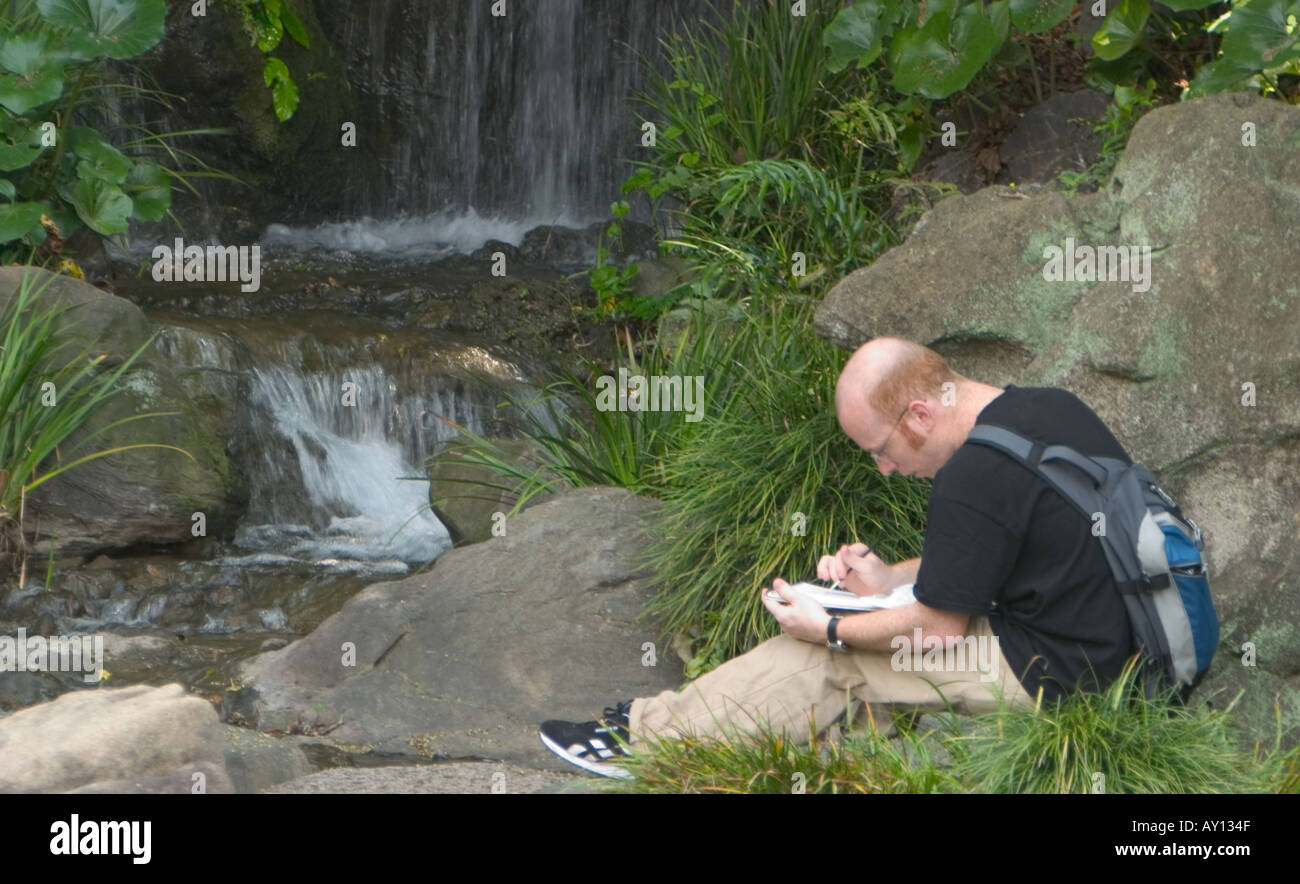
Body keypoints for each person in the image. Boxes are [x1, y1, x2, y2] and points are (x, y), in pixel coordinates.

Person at [539, 338, 1136, 779]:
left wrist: (829, 627)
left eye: (880, 449)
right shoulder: (1046, 408)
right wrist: (885, 578)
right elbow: (1001, 552)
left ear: (920, 415)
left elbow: (938, 627)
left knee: (828, 659)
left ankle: (647, 744)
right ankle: (804, 752)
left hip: (1074, 678)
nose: (884, 467)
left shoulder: (973, 475)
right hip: (1129, 644)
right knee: (860, 628)